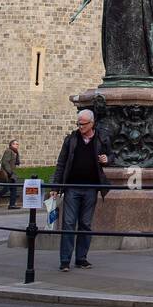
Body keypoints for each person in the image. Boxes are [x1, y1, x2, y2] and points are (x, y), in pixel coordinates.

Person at [50, 109, 112, 271]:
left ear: (92, 123)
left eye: (83, 124)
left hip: (91, 188)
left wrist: (107, 159)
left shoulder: (101, 139)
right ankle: (65, 260)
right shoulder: (71, 140)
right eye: (78, 123)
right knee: (69, 223)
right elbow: (61, 163)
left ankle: (81, 258)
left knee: (85, 224)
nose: (80, 126)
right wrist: (56, 186)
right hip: (72, 187)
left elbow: (112, 157)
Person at [0, 140, 21, 208]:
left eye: (17, 144)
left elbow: (14, 162)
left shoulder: (14, 152)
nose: (16, 145)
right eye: (14, 144)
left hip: (10, 174)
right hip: (8, 174)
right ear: (10, 145)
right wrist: (10, 172)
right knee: (7, 189)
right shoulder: (8, 151)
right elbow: (5, 162)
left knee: (12, 188)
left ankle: (12, 204)